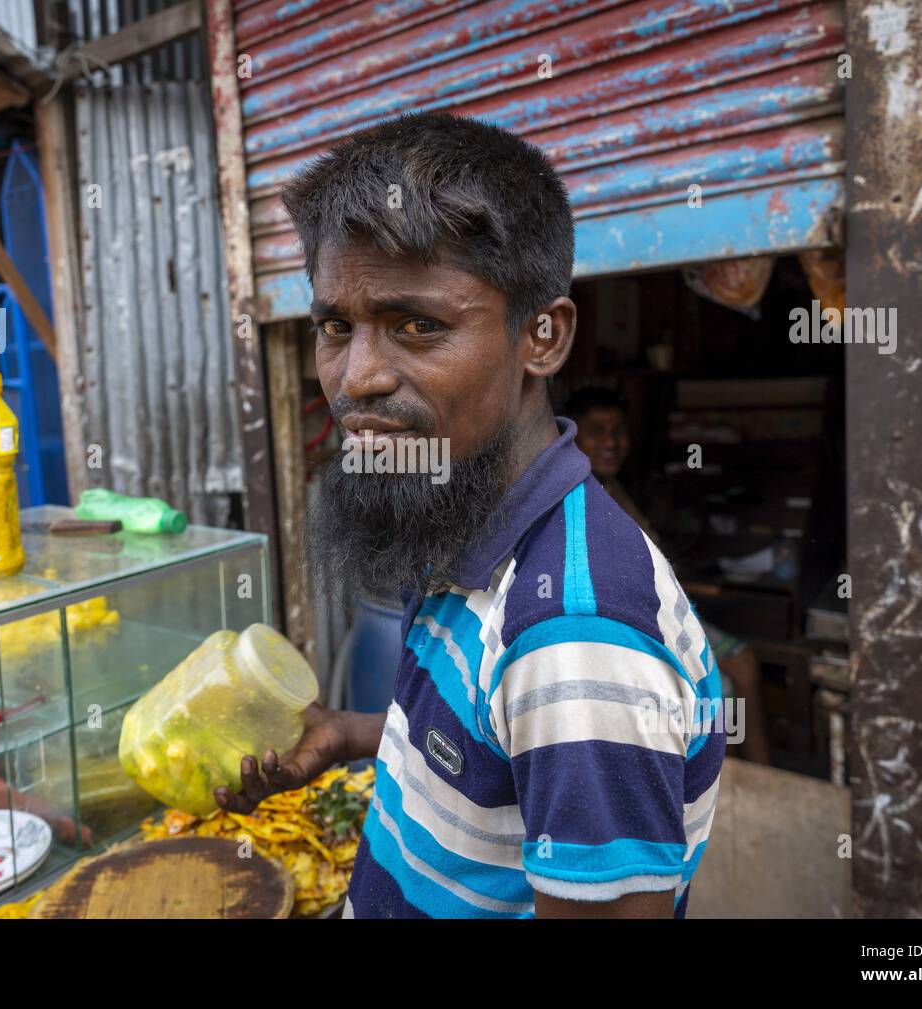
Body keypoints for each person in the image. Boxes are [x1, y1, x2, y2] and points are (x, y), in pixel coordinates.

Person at [215, 112, 724, 919]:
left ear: (543, 337)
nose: (357, 379)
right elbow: (504, 739)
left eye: (418, 325)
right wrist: (351, 734)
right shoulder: (470, 516)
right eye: (335, 327)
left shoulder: (573, 637)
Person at [567, 386, 771, 765]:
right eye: (597, 430)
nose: (611, 441)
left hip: (660, 611)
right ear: (572, 434)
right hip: (637, 623)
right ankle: (736, 788)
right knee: (729, 681)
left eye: (618, 430)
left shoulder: (612, 487)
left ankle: (760, 780)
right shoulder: (578, 496)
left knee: (742, 663)